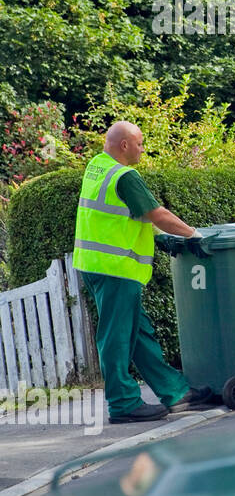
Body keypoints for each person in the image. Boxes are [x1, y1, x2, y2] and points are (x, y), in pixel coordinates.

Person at [72, 121, 212, 423]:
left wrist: (161, 238)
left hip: (97, 265)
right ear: (124, 145)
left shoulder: (97, 165)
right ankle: (123, 404)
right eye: (140, 143)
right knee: (116, 337)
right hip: (115, 269)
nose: (143, 149)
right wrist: (192, 234)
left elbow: (122, 217)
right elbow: (156, 214)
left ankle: (176, 393)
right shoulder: (125, 176)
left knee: (138, 333)